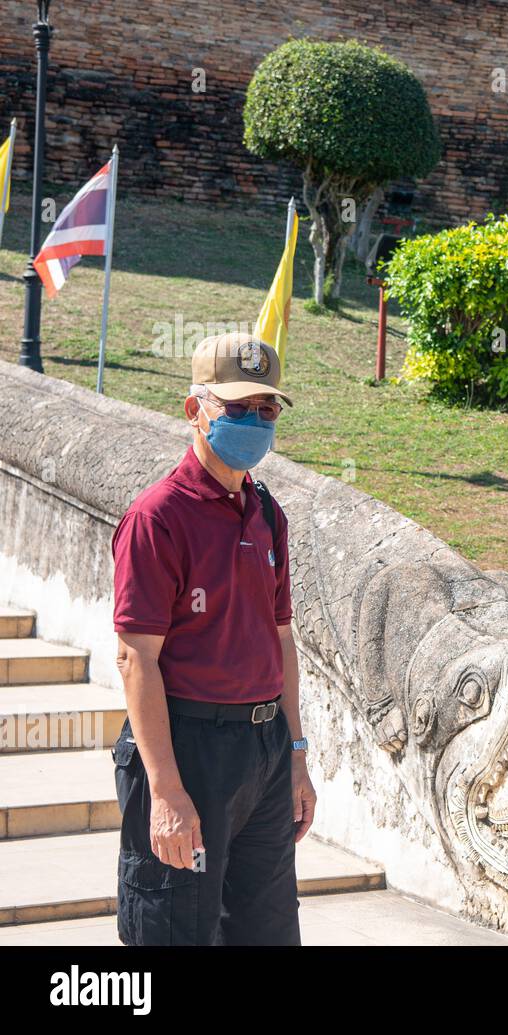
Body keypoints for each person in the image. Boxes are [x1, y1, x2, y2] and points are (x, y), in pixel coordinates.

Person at [110, 331, 316, 945]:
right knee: (174, 933)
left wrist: (297, 755)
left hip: (264, 747)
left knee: (267, 934)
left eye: (266, 409)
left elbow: (281, 639)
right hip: (187, 747)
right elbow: (134, 659)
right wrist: (166, 792)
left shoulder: (266, 512)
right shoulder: (158, 517)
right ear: (193, 409)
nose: (254, 420)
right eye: (235, 407)